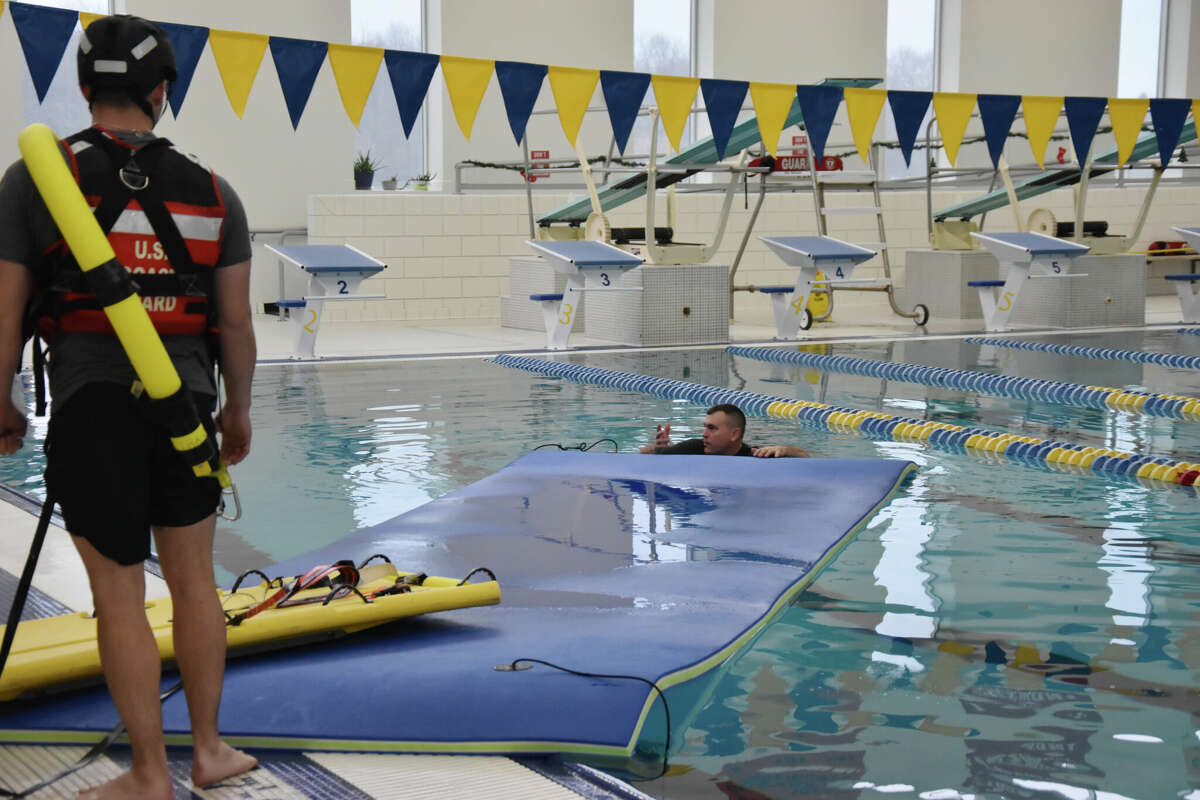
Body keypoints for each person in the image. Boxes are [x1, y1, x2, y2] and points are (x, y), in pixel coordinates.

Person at [0, 15, 257, 799]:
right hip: (187, 409)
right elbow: (236, 325)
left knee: (118, 591)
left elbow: (5, 309)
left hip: (94, 405)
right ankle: (209, 751)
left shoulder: (35, 179)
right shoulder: (215, 192)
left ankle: (149, 774)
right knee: (194, 584)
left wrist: (1, 400)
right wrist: (238, 412)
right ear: (162, 91)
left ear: (84, 87)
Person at [639, 403, 810, 458]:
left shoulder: (753, 456)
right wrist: (657, 450)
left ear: (734, 434)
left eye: (712, 428)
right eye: (705, 427)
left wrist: (785, 449)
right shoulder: (694, 448)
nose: (704, 434)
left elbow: (805, 457)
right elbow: (642, 456)